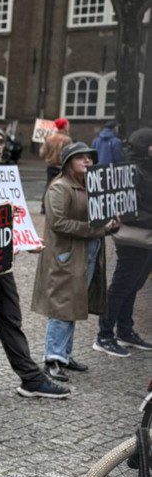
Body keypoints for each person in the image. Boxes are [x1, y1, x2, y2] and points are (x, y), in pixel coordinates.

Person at [0, 126, 70, 400]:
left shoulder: (2, 175)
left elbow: (13, 215)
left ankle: (31, 378)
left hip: (1, 261)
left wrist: (22, 240)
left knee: (10, 318)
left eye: (0, 141)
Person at [32, 142, 118, 381]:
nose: (88, 161)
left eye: (90, 158)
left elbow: (97, 220)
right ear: (68, 162)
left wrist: (110, 226)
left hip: (87, 253)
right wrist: (97, 229)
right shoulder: (60, 187)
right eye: (81, 158)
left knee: (73, 305)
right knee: (62, 307)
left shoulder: (91, 186)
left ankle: (64, 355)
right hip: (66, 255)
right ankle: (53, 358)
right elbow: (58, 223)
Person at [95, 127, 152, 357]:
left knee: (134, 283)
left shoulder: (146, 169)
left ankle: (125, 330)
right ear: (145, 147)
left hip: (146, 236)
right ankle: (104, 335)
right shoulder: (132, 172)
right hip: (133, 237)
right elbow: (126, 209)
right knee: (121, 285)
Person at [39, 118, 70, 213]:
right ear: (64, 126)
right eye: (67, 124)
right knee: (62, 188)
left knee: (49, 186)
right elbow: (68, 154)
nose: (69, 126)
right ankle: (59, 208)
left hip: (51, 166)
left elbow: (42, 153)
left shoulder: (49, 138)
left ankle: (44, 207)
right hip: (62, 167)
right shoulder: (67, 140)